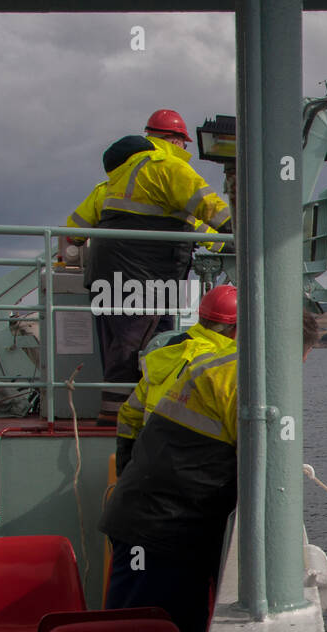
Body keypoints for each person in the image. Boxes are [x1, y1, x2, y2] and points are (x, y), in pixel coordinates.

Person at [101, 310, 322, 632]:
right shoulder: (254, 382)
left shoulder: (218, 366)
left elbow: (134, 424)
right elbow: (267, 472)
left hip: (155, 522)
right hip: (164, 531)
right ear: (302, 352)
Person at [71, 110, 233, 427]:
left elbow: (74, 230)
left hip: (107, 272)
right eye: (183, 143)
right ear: (174, 140)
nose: (185, 150)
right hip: (145, 274)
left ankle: (124, 408)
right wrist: (240, 233)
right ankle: (117, 415)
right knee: (142, 342)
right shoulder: (167, 167)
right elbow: (208, 207)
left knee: (121, 340)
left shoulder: (112, 182)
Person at [114, 283, 238, 476]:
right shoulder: (224, 365)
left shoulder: (165, 353)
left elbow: (129, 415)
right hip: (196, 469)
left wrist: (125, 469)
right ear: (236, 329)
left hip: (150, 462)